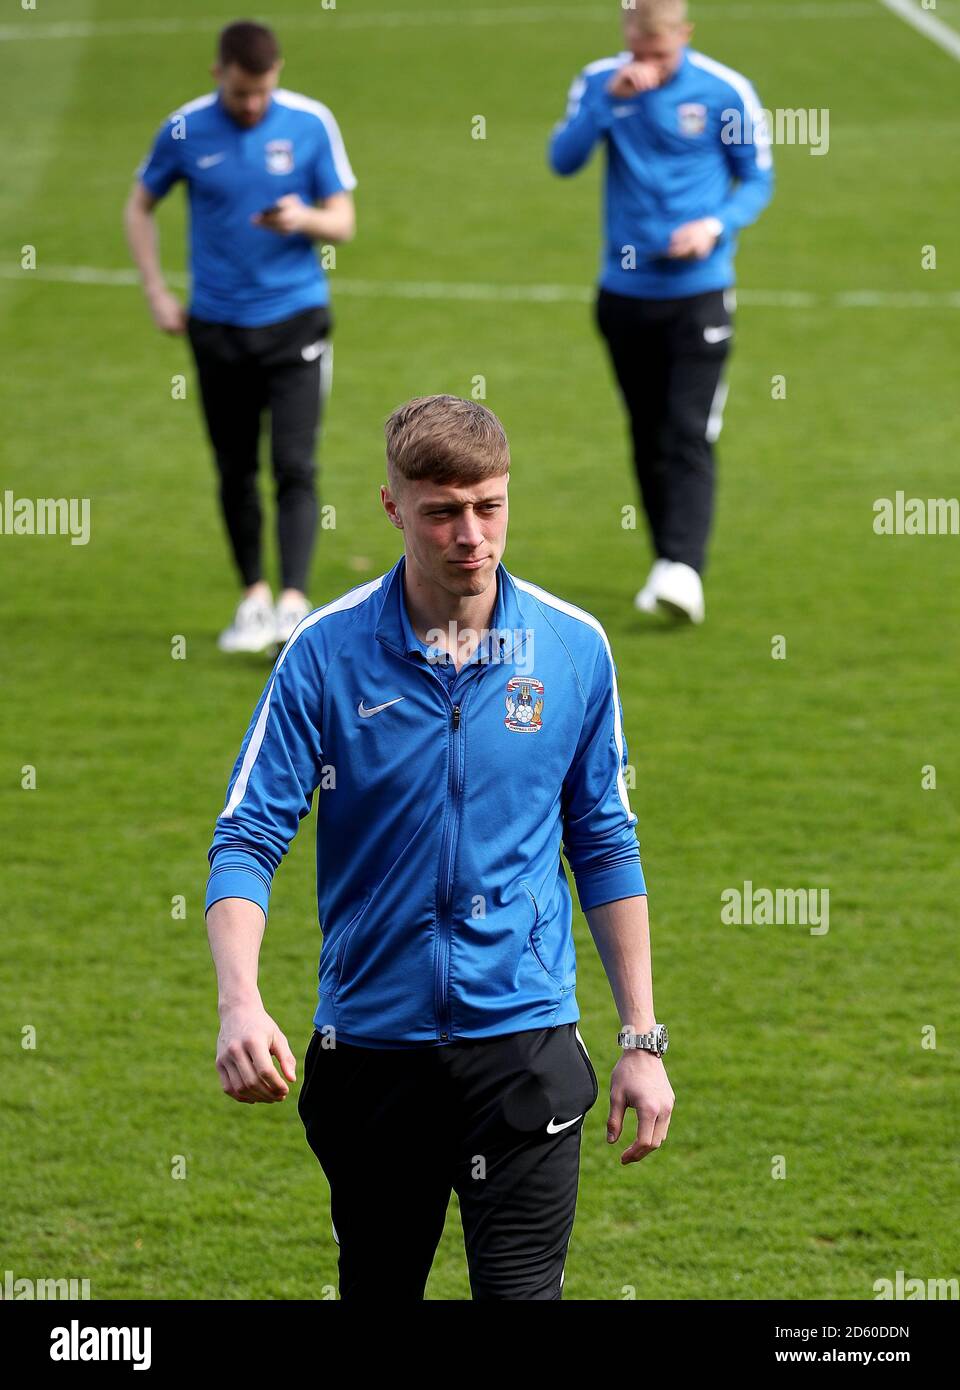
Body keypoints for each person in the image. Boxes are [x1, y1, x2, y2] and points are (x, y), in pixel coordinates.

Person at [204, 395, 675, 1301]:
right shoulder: (325, 653)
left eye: (490, 506)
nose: (471, 536)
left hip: (525, 1045)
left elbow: (605, 843)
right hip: (372, 1053)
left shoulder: (571, 649)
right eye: (442, 512)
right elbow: (247, 837)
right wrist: (239, 1003)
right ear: (392, 506)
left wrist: (641, 1039)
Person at [124, 19, 357, 653]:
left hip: (295, 322)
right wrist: (156, 292)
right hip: (217, 328)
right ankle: (253, 597)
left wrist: (302, 217)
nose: (252, 104)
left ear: (276, 75)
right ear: (217, 74)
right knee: (234, 469)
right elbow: (139, 205)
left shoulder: (310, 122)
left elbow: (343, 222)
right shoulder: (184, 128)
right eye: (240, 92)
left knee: (294, 465)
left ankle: (293, 604)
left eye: (262, 91)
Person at [548, 0, 773, 625]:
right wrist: (608, 103)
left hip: (699, 292)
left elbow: (757, 179)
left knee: (687, 429)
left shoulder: (725, 91)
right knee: (646, 432)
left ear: (685, 34)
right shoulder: (601, 81)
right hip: (624, 294)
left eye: (660, 53)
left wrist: (714, 226)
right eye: (637, 50)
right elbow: (563, 160)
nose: (647, 64)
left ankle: (685, 569)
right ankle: (667, 563)